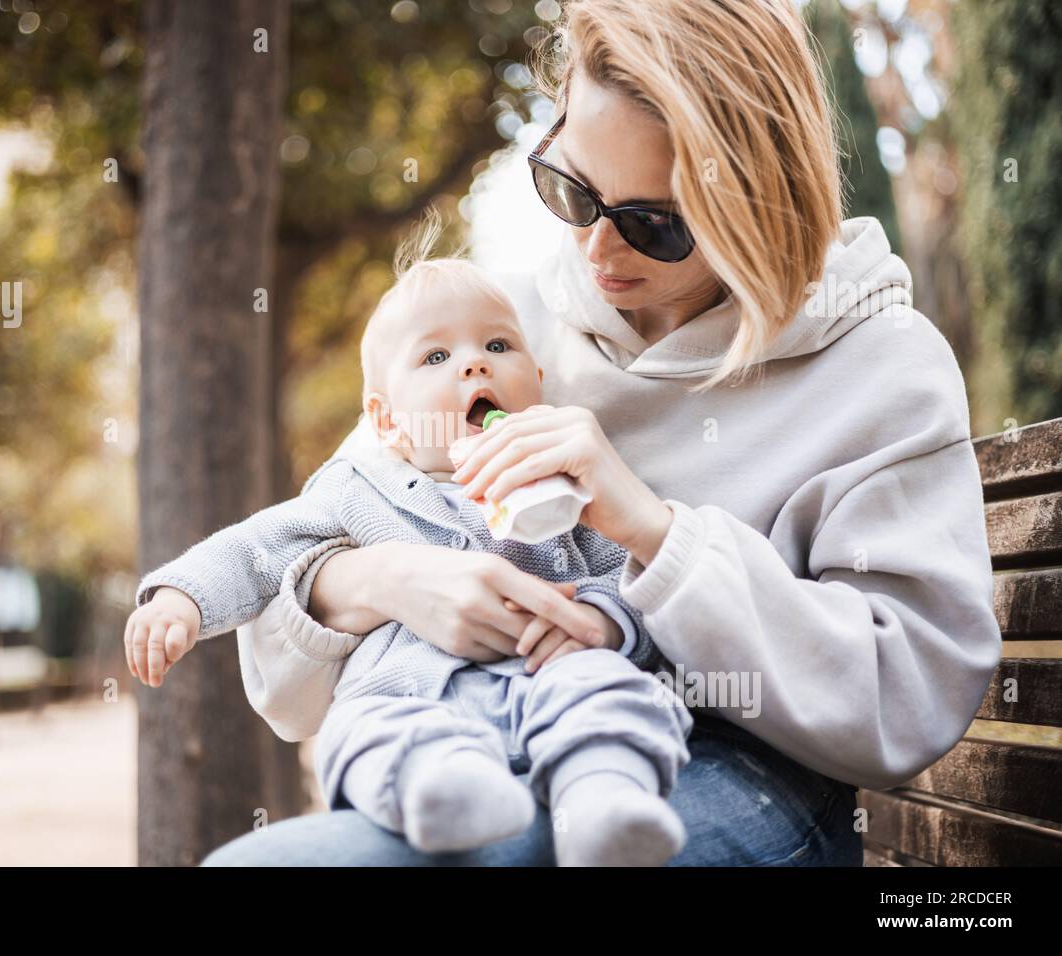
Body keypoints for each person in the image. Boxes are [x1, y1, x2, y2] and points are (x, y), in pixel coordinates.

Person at [201, 0, 1001, 866]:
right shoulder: (490, 332)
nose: (594, 250)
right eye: (572, 190)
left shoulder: (880, 363)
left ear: (762, 202)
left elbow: (907, 693)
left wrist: (655, 532)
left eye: (653, 223)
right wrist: (391, 578)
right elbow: (287, 673)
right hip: (468, 741)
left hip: (749, 773)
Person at [128, 231, 695, 865]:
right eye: (435, 358)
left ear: (536, 382)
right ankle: (441, 797)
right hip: (408, 696)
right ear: (387, 420)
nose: (474, 365)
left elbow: (634, 577)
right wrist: (180, 598)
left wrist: (600, 623)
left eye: (498, 346)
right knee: (357, 731)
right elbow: (257, 549)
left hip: (548, 676)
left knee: (613, 690)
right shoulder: (356, 487)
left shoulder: (564, 477)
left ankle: (603, 802)